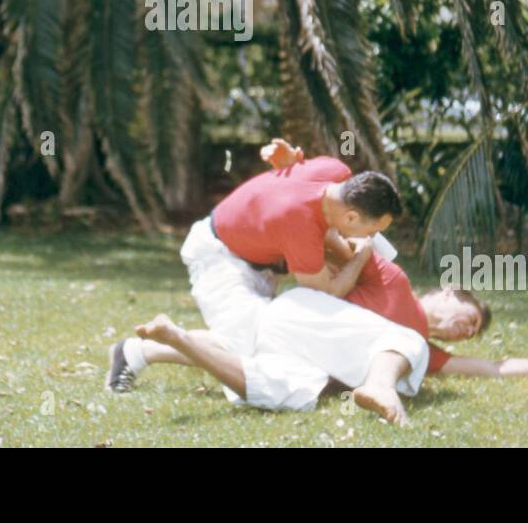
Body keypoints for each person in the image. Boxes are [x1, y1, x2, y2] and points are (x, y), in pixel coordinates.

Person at [129, 249, 528, 425]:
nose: (463, 329)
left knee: (291, 393)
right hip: (303, 315)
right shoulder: (393, 280)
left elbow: (498, 368)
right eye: (465, 315)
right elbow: (343, 227)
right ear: (449, 290)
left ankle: (163, 342)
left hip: (291, 347)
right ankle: (380, 388)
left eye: (470, 332)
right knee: (403, 342)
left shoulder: (424, 349)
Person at [108, 138, 403, 398]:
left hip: (259, 258)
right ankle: (135, 352)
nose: (370, 238)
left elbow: (304, 187)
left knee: (267, 340)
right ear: (351, 217)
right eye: (371, 230)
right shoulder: (298, 224)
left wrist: (291, 161)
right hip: (219, 257)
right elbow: (328, 292)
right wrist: (361, 255)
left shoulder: (335, 171)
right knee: (246, 345)